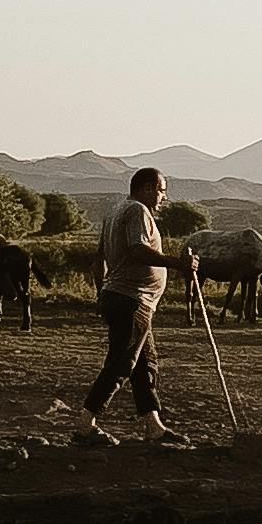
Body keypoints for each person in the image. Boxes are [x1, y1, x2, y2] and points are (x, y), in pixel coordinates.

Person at [80, 168, 197, 448]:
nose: (164, 198)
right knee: (121, 363)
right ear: (147, 188)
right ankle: (85, 424)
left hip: (129, 298)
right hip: (131, 299)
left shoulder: (115, 212)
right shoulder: (137, 211)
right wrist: (178, 264)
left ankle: (153, 425)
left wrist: (102, 292)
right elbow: (137, 250)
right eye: (162, 191)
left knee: (145, 364)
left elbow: (99, 259)